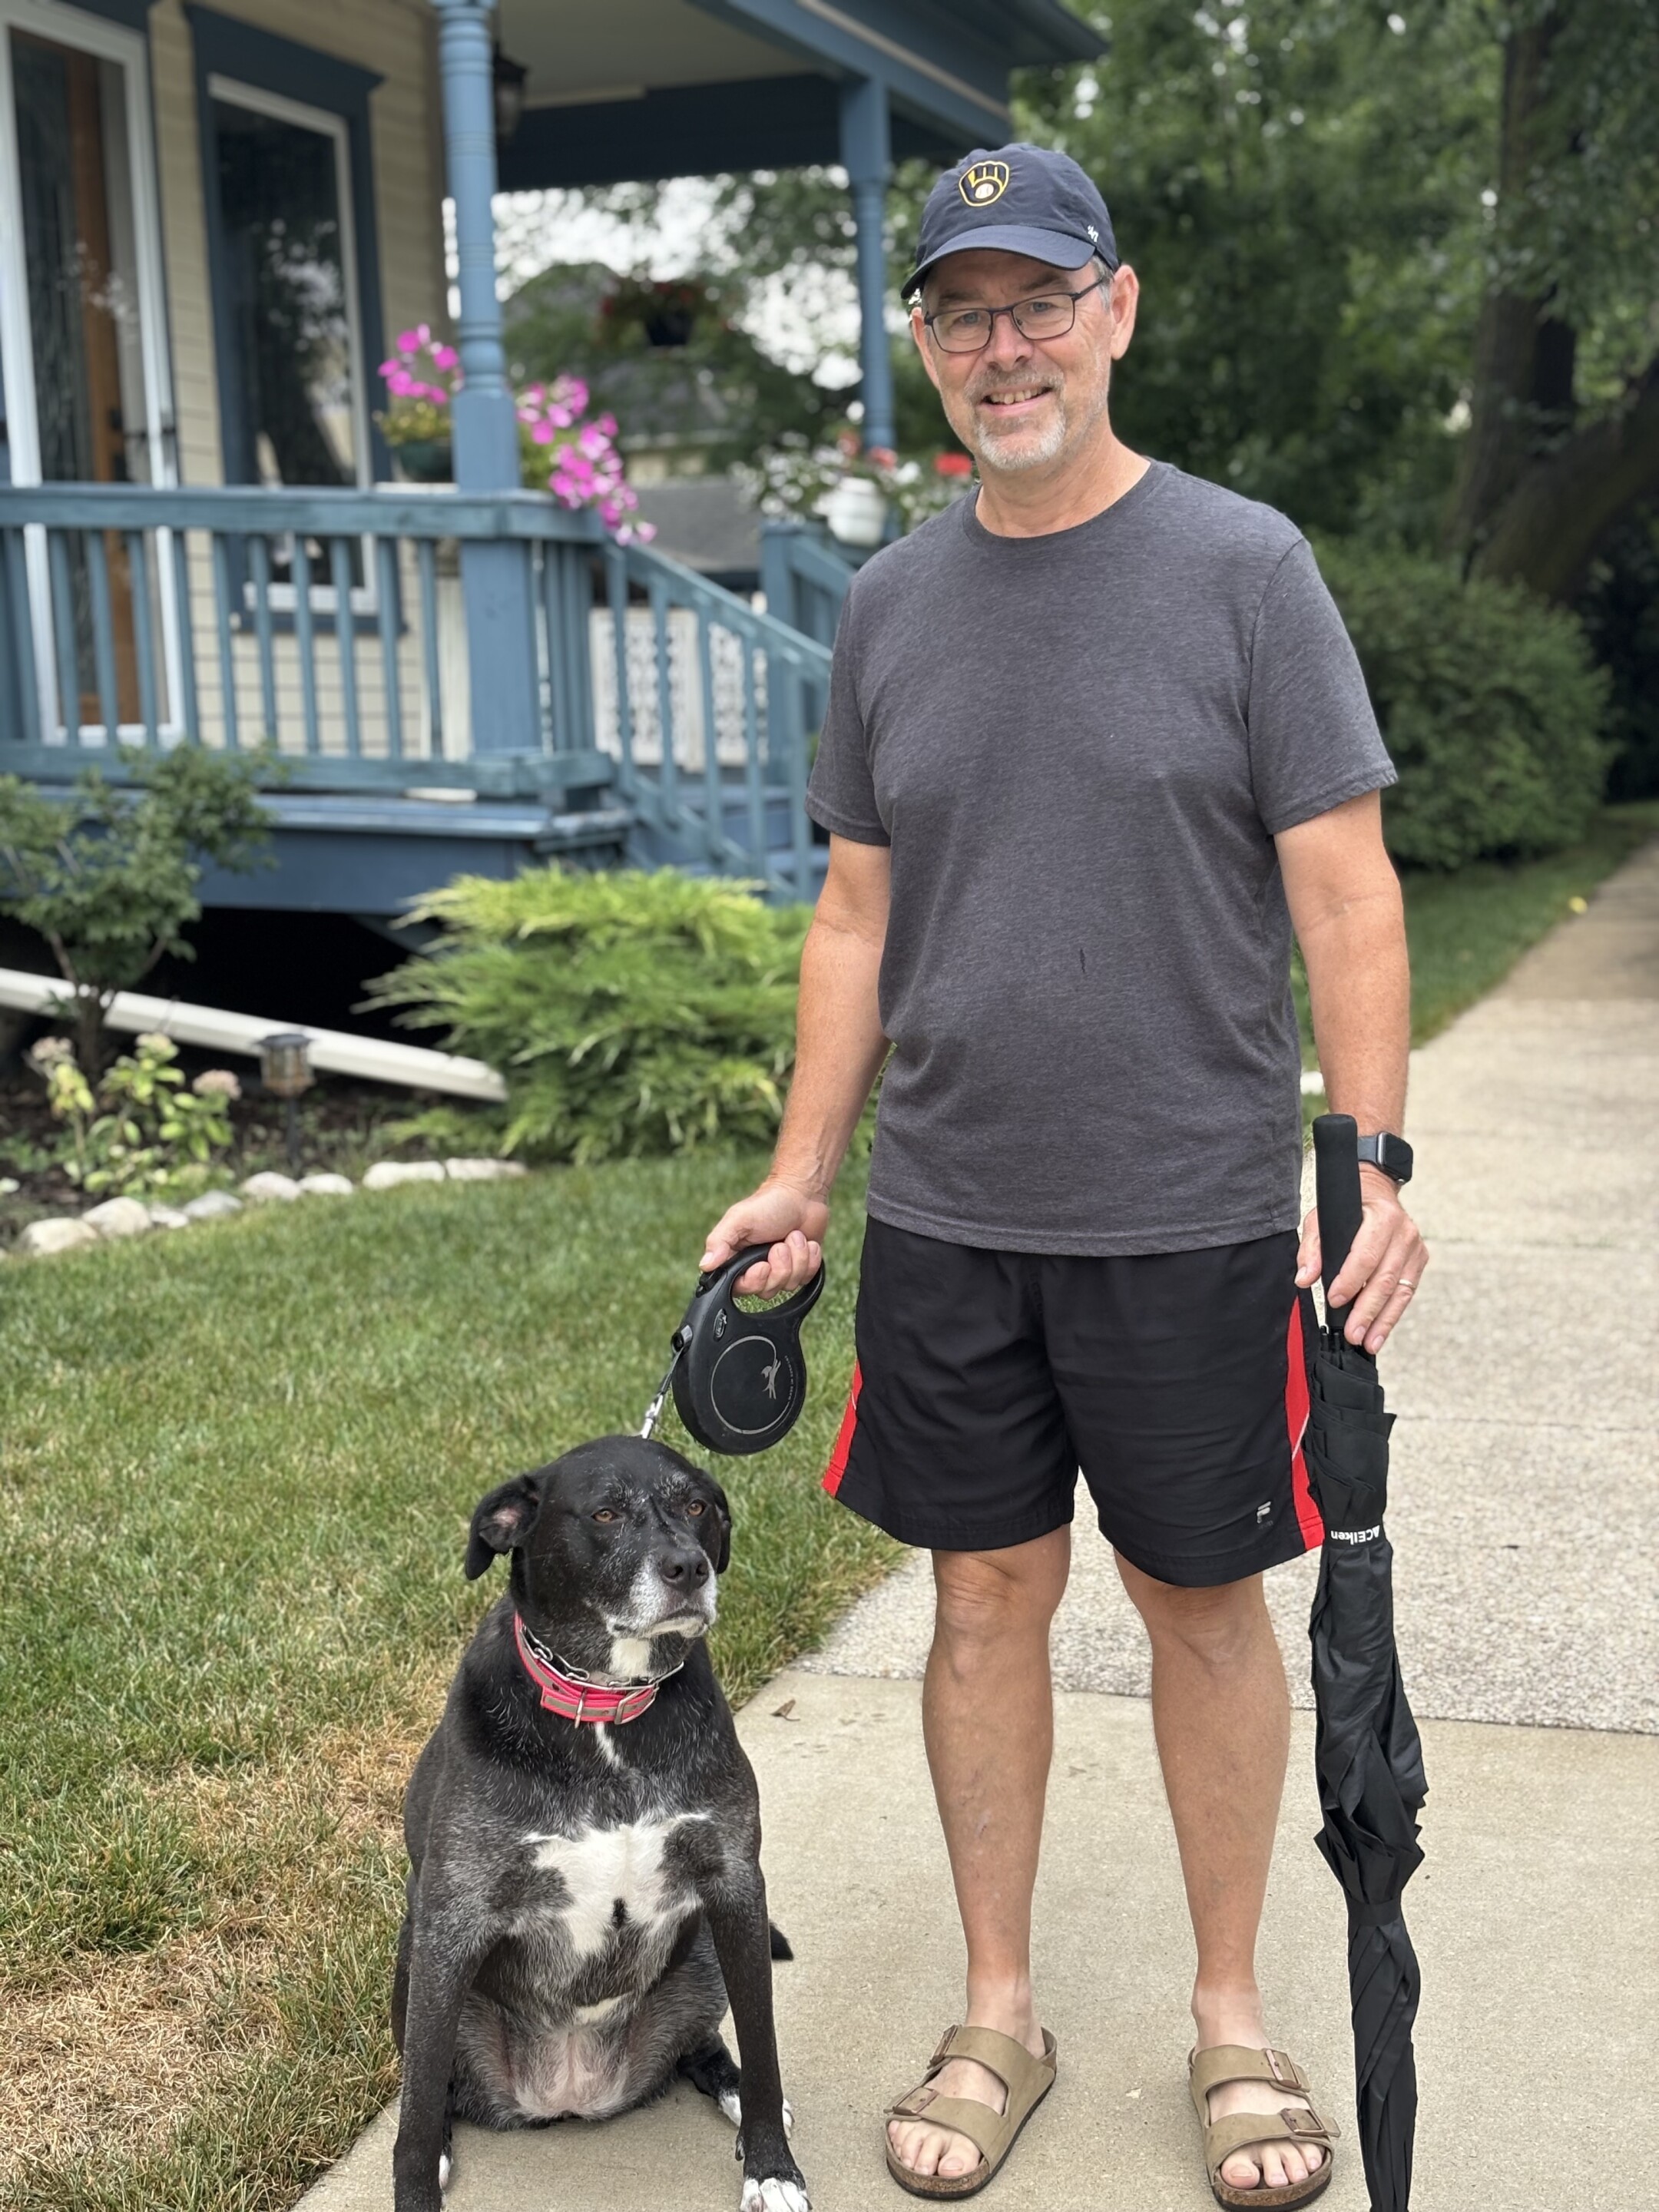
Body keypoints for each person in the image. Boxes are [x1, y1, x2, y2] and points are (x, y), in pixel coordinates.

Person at [700, 143, 1428, 2207]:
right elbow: (857, 915)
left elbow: (1347, 895)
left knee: (1202, 1604)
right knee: (982, 1599)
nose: (1002, 341)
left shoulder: (1242, 571)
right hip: (951, 1210)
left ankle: (1231, 2016)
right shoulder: (895, 603)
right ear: (925, 347)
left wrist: (1370, 1164)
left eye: (1039, 299)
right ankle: (998, 2004)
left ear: (1115, 313)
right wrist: (803, 1177)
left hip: (1192, 1213)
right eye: (960, 308)